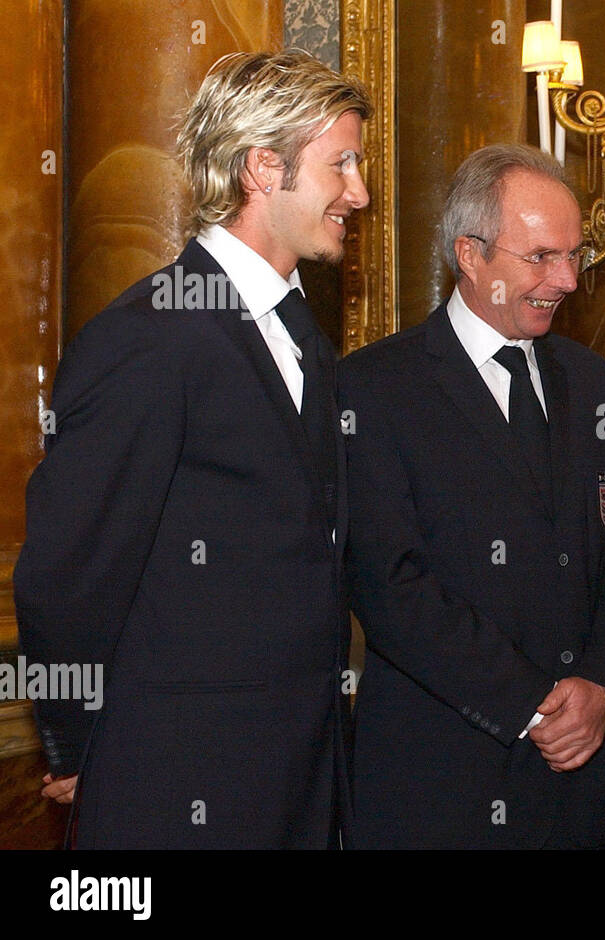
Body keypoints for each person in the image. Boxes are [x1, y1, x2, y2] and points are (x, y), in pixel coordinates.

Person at [13, 50, 371, 848]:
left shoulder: (305, 339)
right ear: (261, 167)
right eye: (339, 164)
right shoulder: (150, 337)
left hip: (298, 782)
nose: (360, 192)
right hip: (172, 789)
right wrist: (78, 745)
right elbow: (65, 574)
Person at [340, 143, 605, 849]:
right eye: (541, 257)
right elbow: (389, 585)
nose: (567, 279)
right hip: (437, 782)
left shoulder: (593, 383)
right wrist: (531, 705)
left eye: (575, 256)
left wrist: (603, 686)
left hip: (578, 783)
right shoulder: (374, 390)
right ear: (471, 254)